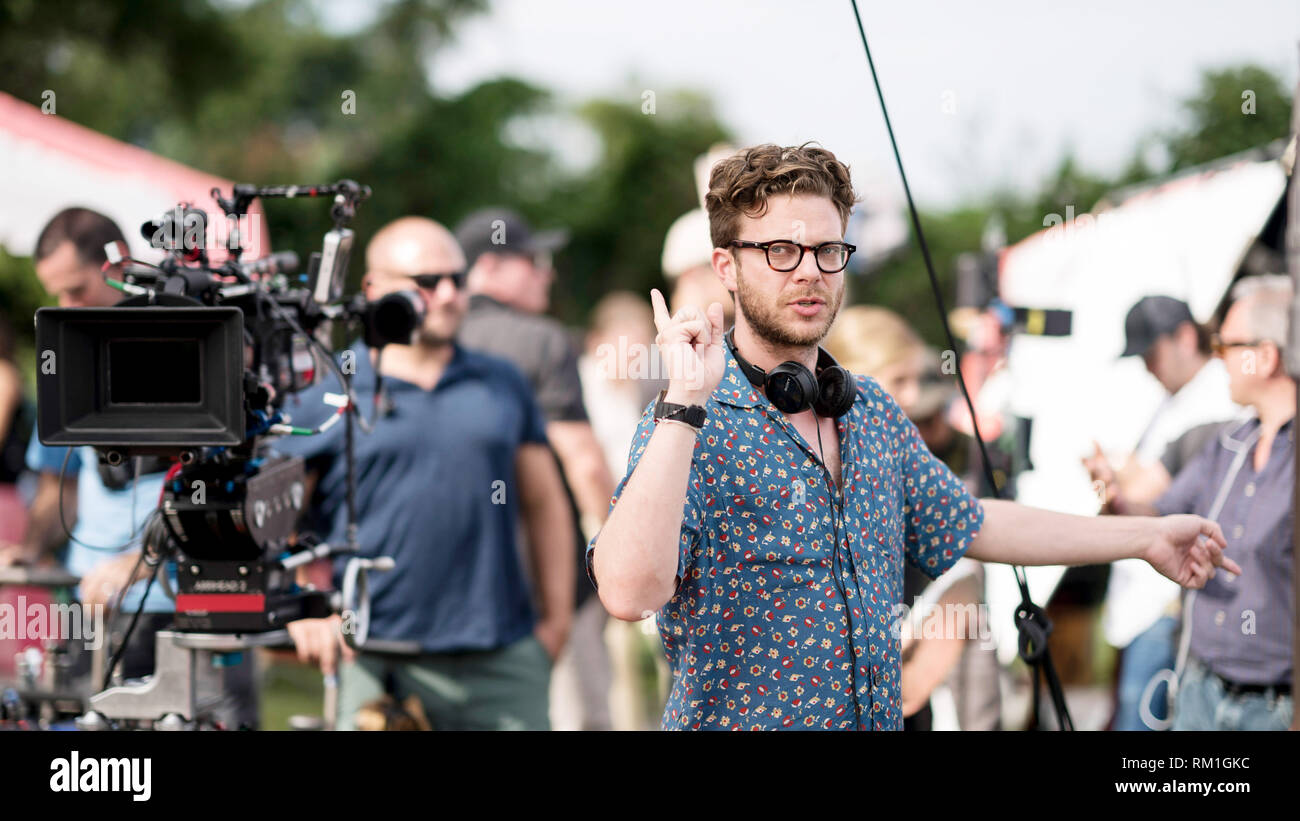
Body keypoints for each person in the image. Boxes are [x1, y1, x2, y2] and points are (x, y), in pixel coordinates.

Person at [586, 142, 1237, 731]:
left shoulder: (870, 411)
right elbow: (626, 591)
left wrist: (1146, 536)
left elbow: (979, 523)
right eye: (781, 251)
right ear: (727, 267)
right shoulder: (691, 419)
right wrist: (682, 403)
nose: (810, 271)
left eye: (828, 250)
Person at [282, 216, 574, 731]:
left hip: (501, 661)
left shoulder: (502, 381)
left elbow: (545, 503)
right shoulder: (330, 389)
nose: (446, 295)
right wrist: (304, 607)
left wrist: (555, 625)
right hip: (373, 661)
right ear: (373, 289)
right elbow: (280, 515)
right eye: (425, 282)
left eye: (456, 281)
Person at [0, 207, 256, 726]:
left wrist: (140, 563)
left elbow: (225, 490)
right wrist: (28, 550)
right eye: (56, 293)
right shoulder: (66, 358)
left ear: (118, 267)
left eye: (76, 290)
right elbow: (58, 485)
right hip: (91, 605)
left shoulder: (194, 349)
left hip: (184, 606)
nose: (65, 306)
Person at [1107, 274, 1294, 731]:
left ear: (1265, 356)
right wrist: (1113, 497)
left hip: (1275, 708)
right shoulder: (1228, 443)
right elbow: (1158, 513)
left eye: (1227, 345)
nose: (1218, 356)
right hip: (1201, 689)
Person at [455, 207, 617, 730]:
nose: (546, 272)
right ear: (489, 268)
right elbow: (584, 462)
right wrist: (619, 554)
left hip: (459, 587)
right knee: (583, 717)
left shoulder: (425, 342)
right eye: (532, 260)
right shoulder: (541, 339)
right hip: (552, 584)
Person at [826, 306, 999, 731]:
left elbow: (971, 544)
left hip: (899, 691)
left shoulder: (900, 456)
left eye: (914, 380)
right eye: (897, 381)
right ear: (848, 379)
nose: (910, 397)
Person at [1084, 295, 1239, 730]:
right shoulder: (1180, 398)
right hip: (1150, 599)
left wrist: (1117, 479)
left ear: (1184, 337)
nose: (1147, 367)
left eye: (1150, 353)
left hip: (1168, 603)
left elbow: (1154, 494)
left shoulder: (1211, 400)